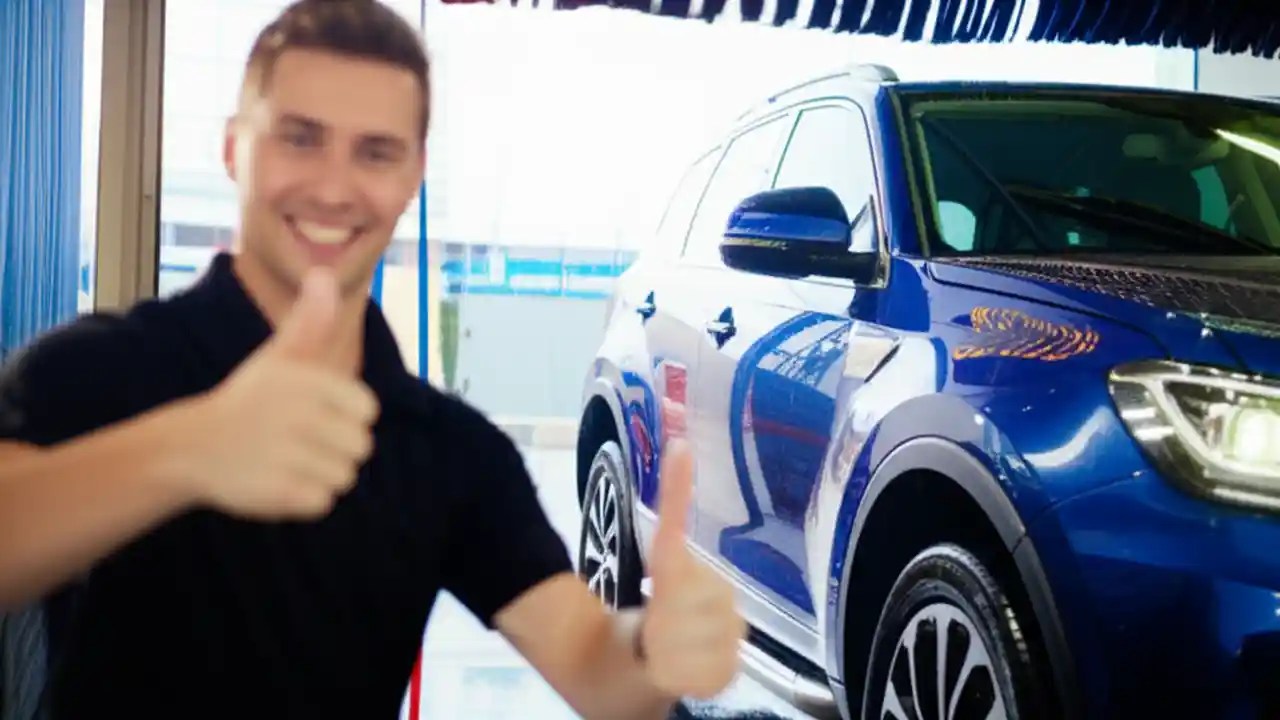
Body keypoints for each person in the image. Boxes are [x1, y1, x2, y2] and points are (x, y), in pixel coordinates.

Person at [0, 1, 745, 718]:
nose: (332, 186)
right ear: (234, 147)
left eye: (375, 152)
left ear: (414, 174)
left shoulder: (449, 450)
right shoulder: (95, 369)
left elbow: (591, 667)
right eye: (300, 137)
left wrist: (654, 651)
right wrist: (191, 447)